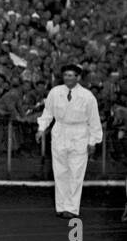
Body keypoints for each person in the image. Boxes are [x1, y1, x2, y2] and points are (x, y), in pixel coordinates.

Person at [36, 62, 104, 220]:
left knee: (76, 172)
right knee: (60, 171)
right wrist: (41, 129)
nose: (68, 78)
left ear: (78, 77)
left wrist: (93, 141)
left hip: (80, 134)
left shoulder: (87, 96)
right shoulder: (55, 92)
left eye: (71, 75)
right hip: (60, 131)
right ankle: (61, 207)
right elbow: (48, 113)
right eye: (66, 75)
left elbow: (94, 121)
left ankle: (72, 208)